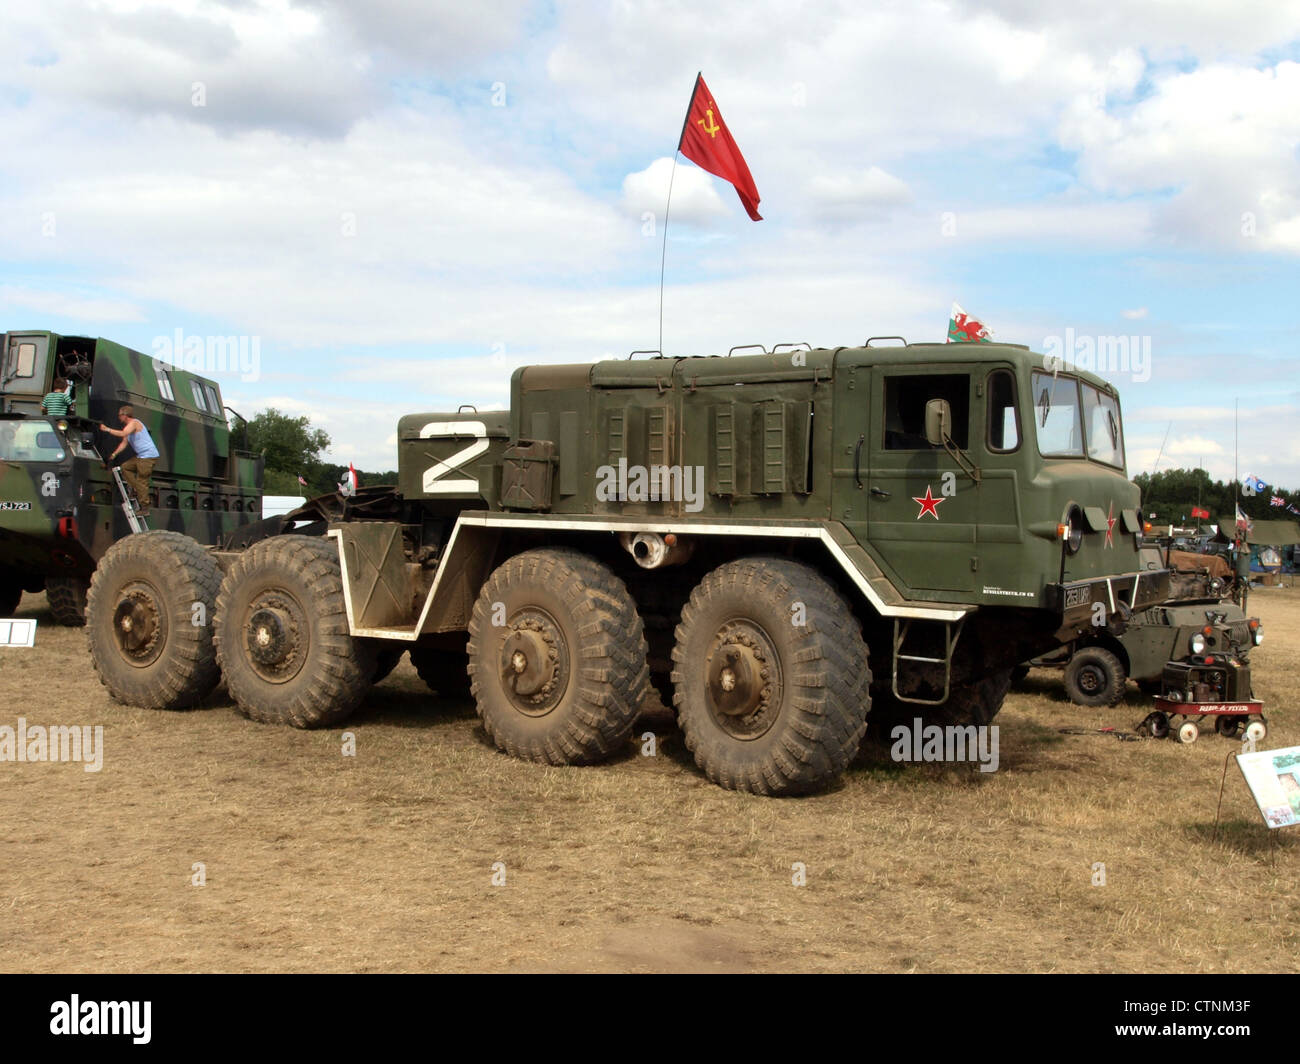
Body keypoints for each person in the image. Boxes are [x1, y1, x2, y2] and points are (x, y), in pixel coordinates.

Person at [99, 404, 160, 516]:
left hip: (148, 456)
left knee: (142, 481)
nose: (119, 418)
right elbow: (124, 442)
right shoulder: (129, 426)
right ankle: (136, 489)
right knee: (125, 467)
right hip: (141, 456)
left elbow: (123, 433)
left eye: (120, 415)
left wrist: (107, 429)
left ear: (125, 415)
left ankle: (144, 507)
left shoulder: (134, 423)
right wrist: (114, 454)